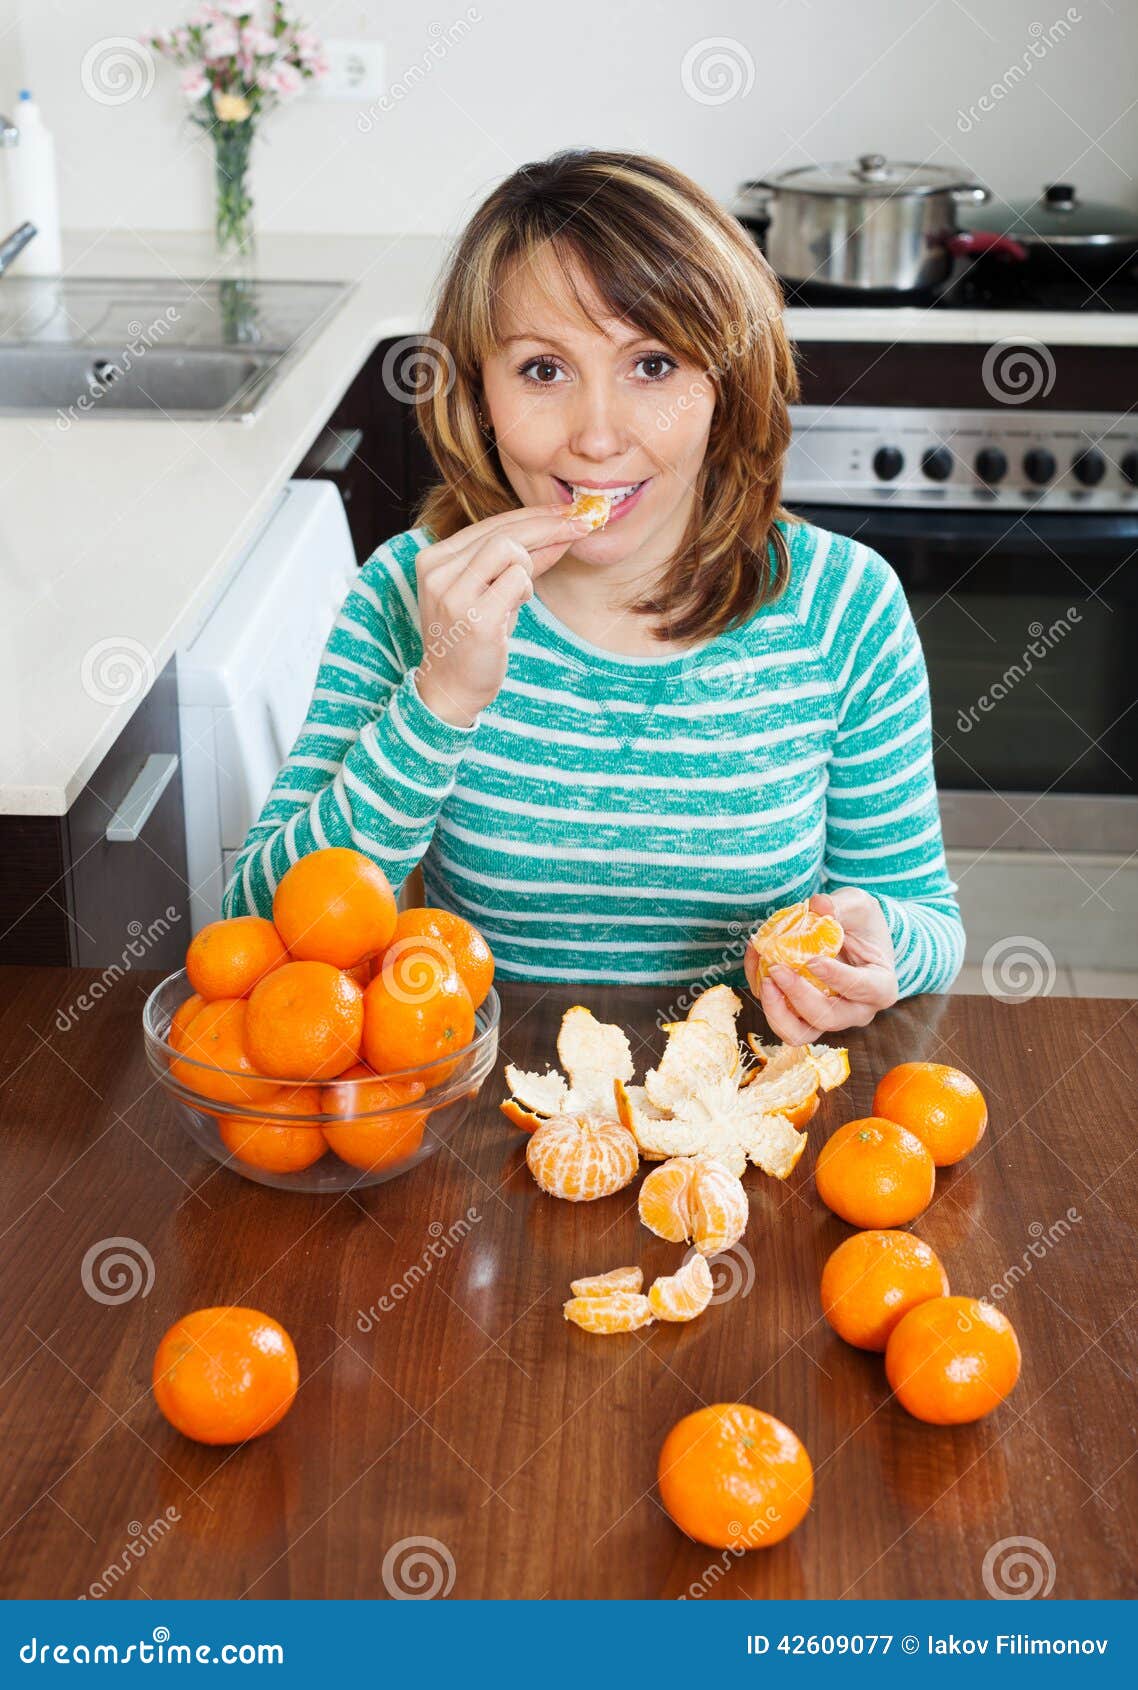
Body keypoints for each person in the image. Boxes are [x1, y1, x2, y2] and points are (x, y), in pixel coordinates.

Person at [223, 148, 964, 1041]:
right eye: (543, 369)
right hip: (489, 1112)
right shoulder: (408, 595)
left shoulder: (843, 607)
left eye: (653, 365)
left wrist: (881, 948)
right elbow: (259, 931)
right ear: (479, 395)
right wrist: (441, 700)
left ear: (724, 389)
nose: (599, 437)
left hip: (742, 1114)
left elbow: (923, 915)